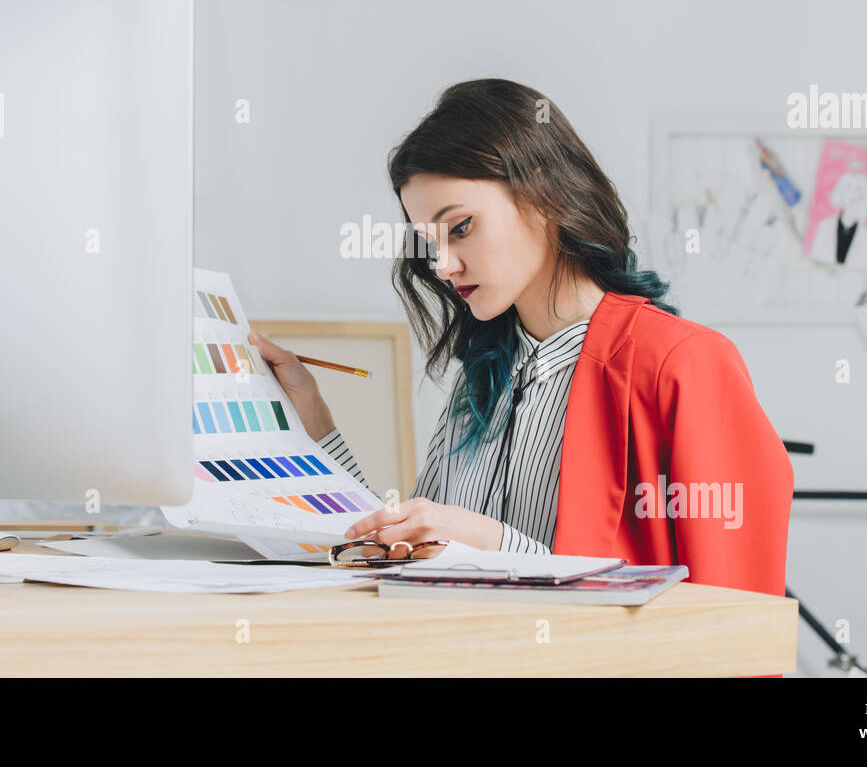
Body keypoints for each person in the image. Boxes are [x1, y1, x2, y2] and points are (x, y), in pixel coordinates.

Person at [250, 78, 794, 599]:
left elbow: (730, 616)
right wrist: (313, 425)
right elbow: (410, 548)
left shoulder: (683, 364)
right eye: (428, 241)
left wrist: (492, 545)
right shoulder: (483, 374)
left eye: (460, 227)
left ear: (543, 196)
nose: (441, 264)